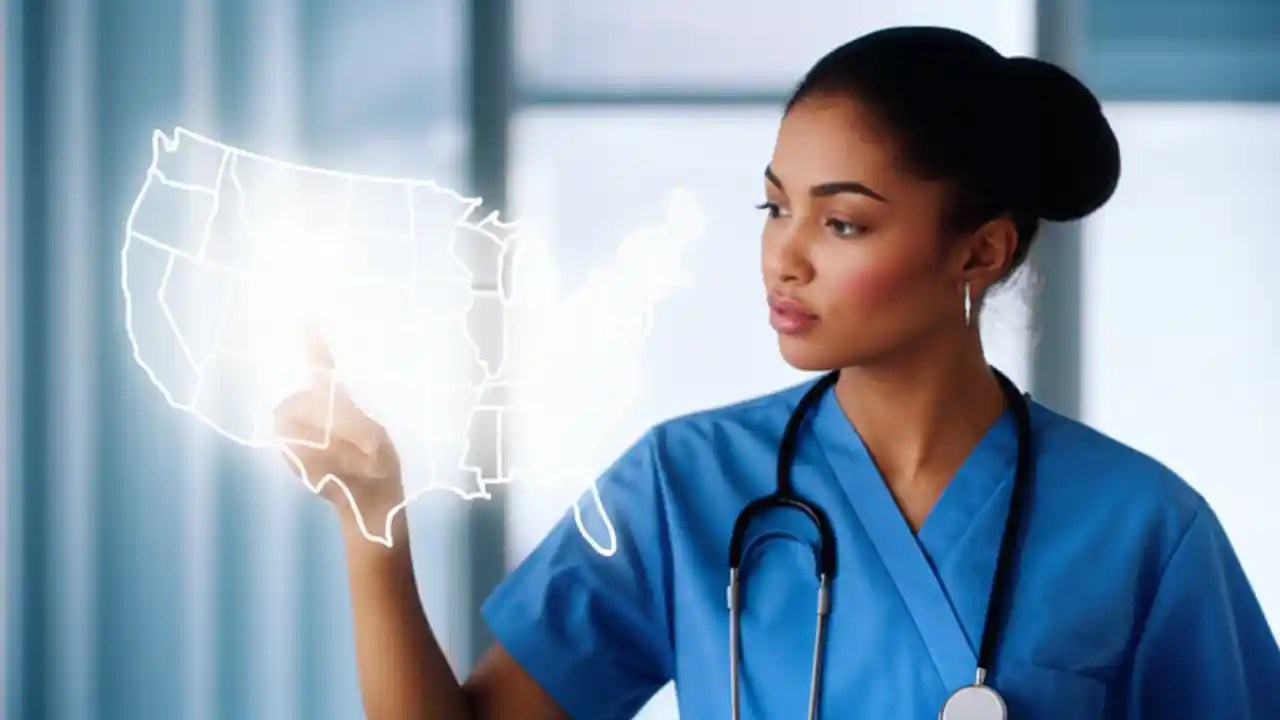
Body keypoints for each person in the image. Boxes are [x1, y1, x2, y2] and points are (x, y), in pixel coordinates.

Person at [273, 26, 1280, 720]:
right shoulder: (682, 485)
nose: (783, 255)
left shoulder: (1142, 527)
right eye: (773, 207)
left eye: (841, 222)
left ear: (978, 252)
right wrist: (373, 524)